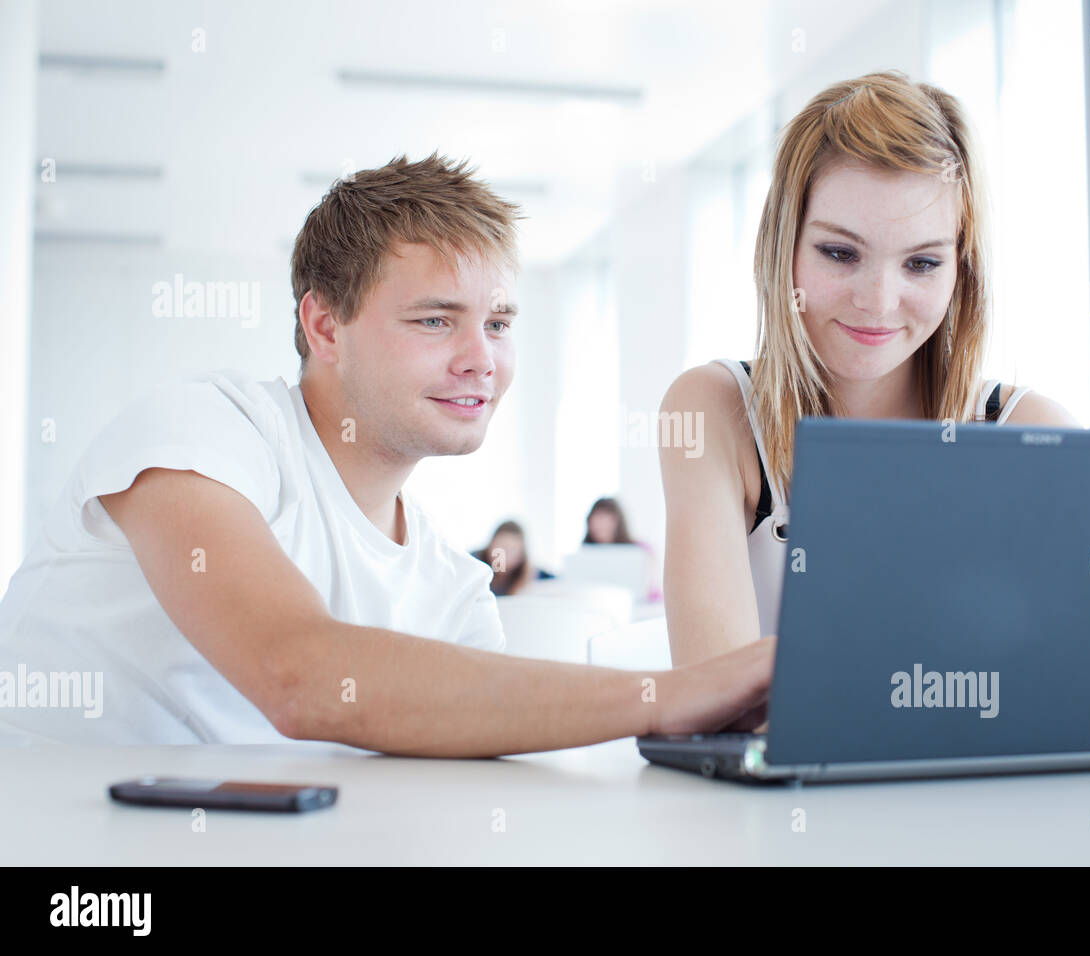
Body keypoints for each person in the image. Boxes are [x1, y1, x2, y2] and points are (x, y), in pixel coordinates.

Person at [0, 153, 772, 753]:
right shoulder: (201, 431)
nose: (483, 360)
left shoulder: (455, 594)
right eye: (437, 321)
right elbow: (297, 673)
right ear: (325, 326)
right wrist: (663, 697)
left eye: (499, 323)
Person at [657, 71, 1090, 727]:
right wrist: (1005, 696)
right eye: (840, 252)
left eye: (922, 263)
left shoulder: (1029, 429)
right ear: (782, 249)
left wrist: (1006, 700)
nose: (878, 300)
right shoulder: (714, 412)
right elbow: (719, 704)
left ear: (961, 270)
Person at [583, 497, 662, 602]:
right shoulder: (584, 554)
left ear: (618, 523)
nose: (600, 525)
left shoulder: (641, 550)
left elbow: (648, 586)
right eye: (596, 519)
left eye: (605, 519)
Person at [473, 520, 554, 596]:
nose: (506, 557)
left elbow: (558, 583)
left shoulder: (531, 572)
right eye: (501, 549)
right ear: (490, 546)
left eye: (513, 550)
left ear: (522, 555)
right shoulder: (473, 563)